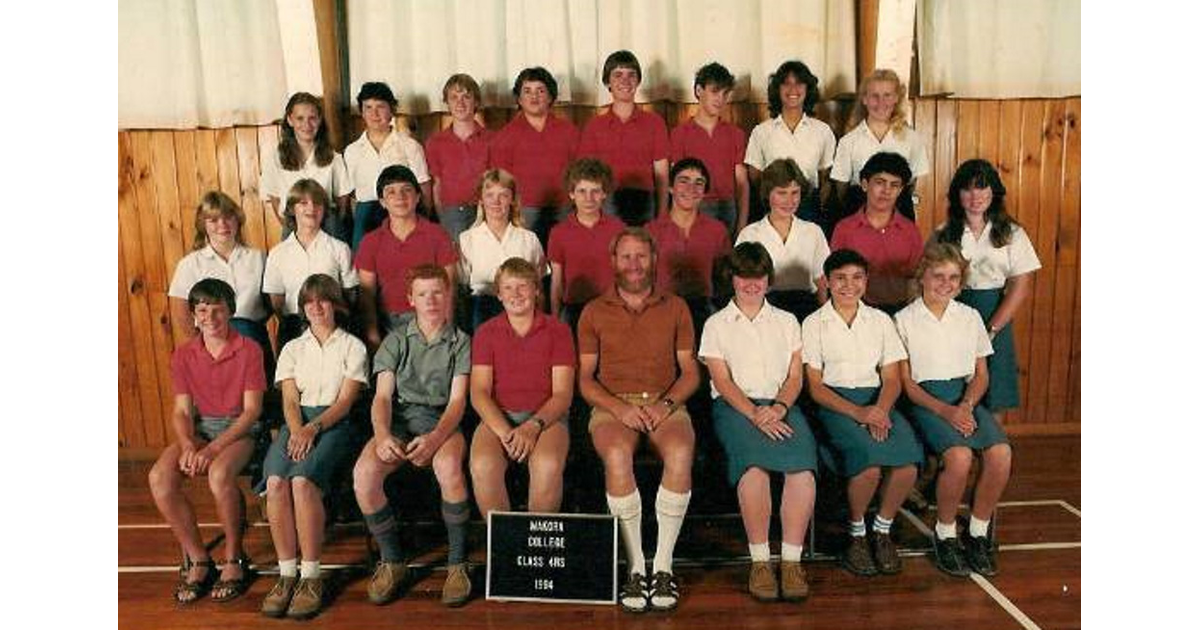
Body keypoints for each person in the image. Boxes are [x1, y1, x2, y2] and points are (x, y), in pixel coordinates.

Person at [578, 228, 699, 613]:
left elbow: (690, 372)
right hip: (613, 406)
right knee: (616, 454)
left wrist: (665, 405)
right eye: (626, 257)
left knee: (680, 452)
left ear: (654, 259)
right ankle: (635, 567)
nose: (634, 264)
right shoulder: (593, 311)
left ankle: (662, 565)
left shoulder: (676, 306)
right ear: (613, 262)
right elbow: (584, 379)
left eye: (641, 256)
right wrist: (619, 408)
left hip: (666, 403)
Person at [697, 241, 816, 602]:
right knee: (754, 472)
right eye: (744, 277)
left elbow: (795, 377)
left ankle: (792, 562)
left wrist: (778, 408)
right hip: (736, 410)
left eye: (759, 277)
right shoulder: (716, 324)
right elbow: (721, 380)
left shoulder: (787, 321)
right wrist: (754, 414)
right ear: (731, 279)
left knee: (802, 473)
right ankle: (761, 562)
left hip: (782, 407)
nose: (752, 285)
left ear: (769, 279)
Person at [351, 265, 474, 607]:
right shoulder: (396, 340)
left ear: (448, 295)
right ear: (410, 300)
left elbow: (457, 403)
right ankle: (392, 561)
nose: (431, 300)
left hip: (442, 424)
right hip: (401, 423)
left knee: (450, 467)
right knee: (363, 475)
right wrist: (382, 435)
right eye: (422, 294)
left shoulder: (461, 342)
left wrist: (435, 439)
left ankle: (457, 563)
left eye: (437, 292)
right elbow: (382, 397)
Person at [801, 249, 922, 577]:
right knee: (868, 467)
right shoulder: (814, 324)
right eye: (839, 278)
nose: (848, 285)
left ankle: (881, 531)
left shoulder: (881, 321)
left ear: (866, 282)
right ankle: (856, 536)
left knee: (907, 466)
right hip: (837, 405)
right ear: (826, 282)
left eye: (856, 278)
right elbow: (815, 387)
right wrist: (859, 413)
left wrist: (880, 410)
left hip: (879, 401)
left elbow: (892, 377)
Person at [895, 243, 1012, 577]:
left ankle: (977, 532)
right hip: (927, 401)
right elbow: (907, 385)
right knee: (959, 457)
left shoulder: (970, 317)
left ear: (961, 282)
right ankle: (945, 535)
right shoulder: (904, 320)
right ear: (923, 277)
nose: (945, 284)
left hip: (965, 399)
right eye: (938, 276)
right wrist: (947, 412)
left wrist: (966, 405)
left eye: (953, 277)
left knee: (1001, 453)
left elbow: (981, 375)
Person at [148, 278, 265, 604]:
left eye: (217, 310)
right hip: (202, 432)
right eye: (202, 311)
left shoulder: (249, 349)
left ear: (230, 312)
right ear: (194, 315)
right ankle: (199, 558)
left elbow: (252, 412)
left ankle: (234, 558)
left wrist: (213, 449)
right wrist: (187, 444)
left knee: (218, 474)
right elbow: (182, 411)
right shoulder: (184, 354)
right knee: (159, 478)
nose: (210, 318)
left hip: (240, 431)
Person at [259, 274, 368, 618]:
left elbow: (346, 402)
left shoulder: (353, 346)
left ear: (335, 304)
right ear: (302, 308)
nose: (316, 307)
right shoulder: (292, 348)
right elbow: (290, 399)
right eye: (309, 302)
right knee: (277, 483)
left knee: (302, 482)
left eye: (323, 300)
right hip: (297, 423)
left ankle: (311, 575)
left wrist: (313, 428)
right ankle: (287, 573)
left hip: (335, 423)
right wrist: (297, 431)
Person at [934, 159, 1041, 420]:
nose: (976, 196)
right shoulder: (943, 232)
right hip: (952, 313)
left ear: (994, 191)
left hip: (995, 313)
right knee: (951, 388)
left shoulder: (1012, 233)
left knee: (993, 394)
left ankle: (994, 454)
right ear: (957, 194)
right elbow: (931, 280)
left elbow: (1021, 285)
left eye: (982, 188)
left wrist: (992, 329)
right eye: (968, 189)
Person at [469, 258, 575, 517]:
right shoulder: (486, 333)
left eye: (523, 287)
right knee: (483, 464)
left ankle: (536, 544)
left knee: (547, 464)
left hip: (547, 419)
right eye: (508, 288)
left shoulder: (558, 331)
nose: (516, 294)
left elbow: (563, 394)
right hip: (500, 416)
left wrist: (532, 427)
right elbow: (479, 392)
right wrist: (506, 432)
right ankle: (504, 547)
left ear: (537, 290)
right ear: (499, 294)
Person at [355, 165, 459, 352]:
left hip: (431, 320)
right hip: (389, 324)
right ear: (382, 201)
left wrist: (445, 331)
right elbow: (366, 296)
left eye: (407, 190)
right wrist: (373, 337)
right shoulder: (370, 242)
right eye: (391, 192)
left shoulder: (438, 235)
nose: (400, 197)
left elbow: (449, 287)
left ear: (418, 197)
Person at [167, 191, 270, 358]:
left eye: (228, 217)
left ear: (238, 219)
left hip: (253, 341)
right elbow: (181, 311)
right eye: (213, 220)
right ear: (203, 225)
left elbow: (270, 303)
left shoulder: (258, 258)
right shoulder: (190, 264)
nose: (222, 224)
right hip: (211, 346)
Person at [263, 179, 358, 350]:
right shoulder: (278, 254)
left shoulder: (339, 248)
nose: (311, 208)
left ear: (324, 209)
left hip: (332, 325)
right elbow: (276, 301)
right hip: (293, 327)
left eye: (317, 203)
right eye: (303, 203)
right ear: (292, 209)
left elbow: (350, 292)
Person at [489, 67, 580, 245]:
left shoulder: (569, 131)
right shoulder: (505, 137)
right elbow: (502, 183)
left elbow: (581, 174)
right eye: (527, 91)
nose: (534, 97)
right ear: (519, 98)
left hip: (565, 209)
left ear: (550, 97)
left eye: (540, 90)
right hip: (524, 213)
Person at [579, 50, 670, 226]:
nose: (625, 81)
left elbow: (662, 173)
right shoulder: (595, 126)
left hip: (645, 200)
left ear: (638, 81)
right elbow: (587, 175)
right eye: (618, 75)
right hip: (607, 201)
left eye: (631, 75)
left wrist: (662, 214)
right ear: (608, 82)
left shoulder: (655, 123)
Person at [735, 158, 829, 325]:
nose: (789, 201)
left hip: (805, 308)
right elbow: (740, 281)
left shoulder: (813, 231)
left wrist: (824, 319)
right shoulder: (750, 234)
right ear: (768, 193)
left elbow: (820, 280)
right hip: (765, 309)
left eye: (795, 193)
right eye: (782, 193)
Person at [744, 60, 836, 229]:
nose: (793, 90)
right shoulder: (761, 132)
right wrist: (776, 196)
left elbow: (826, 179)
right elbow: (755, 176)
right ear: (777, 89)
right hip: (773, 205)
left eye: (799, 83)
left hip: (809, 207)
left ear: (808, 89)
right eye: (786, 83)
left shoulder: (823, 131)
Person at [830, 152, 924, 315]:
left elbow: (916, 280)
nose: (886, 191)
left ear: (901, 190)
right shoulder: (844, 229)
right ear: (865, 184)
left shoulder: (911, 231)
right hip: (856, 312)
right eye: (880, 182)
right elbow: (834, 277)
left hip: (901, 312)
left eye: (894, 185)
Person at [830, 69, 929, 223]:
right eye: (874, 96)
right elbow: (841, 189)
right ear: (864, 99)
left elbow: (912, 184)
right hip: (859, 216)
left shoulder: (912, 139)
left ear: (896, 98)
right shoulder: (849, 141)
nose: (881, 102)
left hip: (899, 215)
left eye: (887, 95)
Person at [344, 82, 434, 251]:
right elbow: (352, 197)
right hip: (366, 216)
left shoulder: (409, 146)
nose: (374, 113)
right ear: (361, 112)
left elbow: (424, 186)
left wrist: (422, 219)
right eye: (368, 107)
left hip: (403, 212)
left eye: (380, 107)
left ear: (391, 110)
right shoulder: (352, 151)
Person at [646, 157, 731, 333]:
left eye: (698, 183)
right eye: (683, 181)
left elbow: (723, 282)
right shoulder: (651, 231)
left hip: (704, 312)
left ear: (705, 192)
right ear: (670, 188)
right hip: (661, 312)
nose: (691, 189)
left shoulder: (717, 231)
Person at [457, 169, 545, 331]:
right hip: (482, 311)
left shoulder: (528, 239)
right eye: (489, 195)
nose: (496, 202)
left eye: (503, 195)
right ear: (481, 199)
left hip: (522, 310)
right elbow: (462, 286)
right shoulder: (467, 239)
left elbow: (538, 283)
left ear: (512, 199)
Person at [669, 61, 750, 237]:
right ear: (699, 91)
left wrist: (742, 225)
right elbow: (677, 183)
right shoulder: (680, 134)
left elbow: (742, 182)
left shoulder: (735, 134)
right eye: (714, 91)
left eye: (725, 93)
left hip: (728, 207)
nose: (720, 99)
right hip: (696, 206)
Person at [260, 92, 352, 241]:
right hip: (293, 226)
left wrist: (330, 225)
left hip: (328, 227)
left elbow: (342, 199)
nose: (307, 125)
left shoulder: (333, 158)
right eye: (300, 118)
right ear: (290, 120)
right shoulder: (275, 159)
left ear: (320, 120)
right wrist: (291, 225)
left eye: (312, 118)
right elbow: (274, 197)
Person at [547, 158, 626, 330]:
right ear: (571, 194)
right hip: (574, 310)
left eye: (595, 191)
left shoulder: (618, 229)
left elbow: (624, 274)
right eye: (582, 191)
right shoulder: (559, 232)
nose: (589, 198)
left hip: (611, 308)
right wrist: (555, 320)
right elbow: (557, 283)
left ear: (605, 193)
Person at [426, 73, 494, 244]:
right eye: (454, 97)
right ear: (447, 103)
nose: (460, 103)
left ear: (476, 102)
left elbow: (497, 180)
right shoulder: (436, 142)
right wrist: (444, 217)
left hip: (487, 209)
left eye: (466, 97)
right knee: (457, 262)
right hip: (452, 212)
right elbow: (437, 185)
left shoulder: (493, 139)